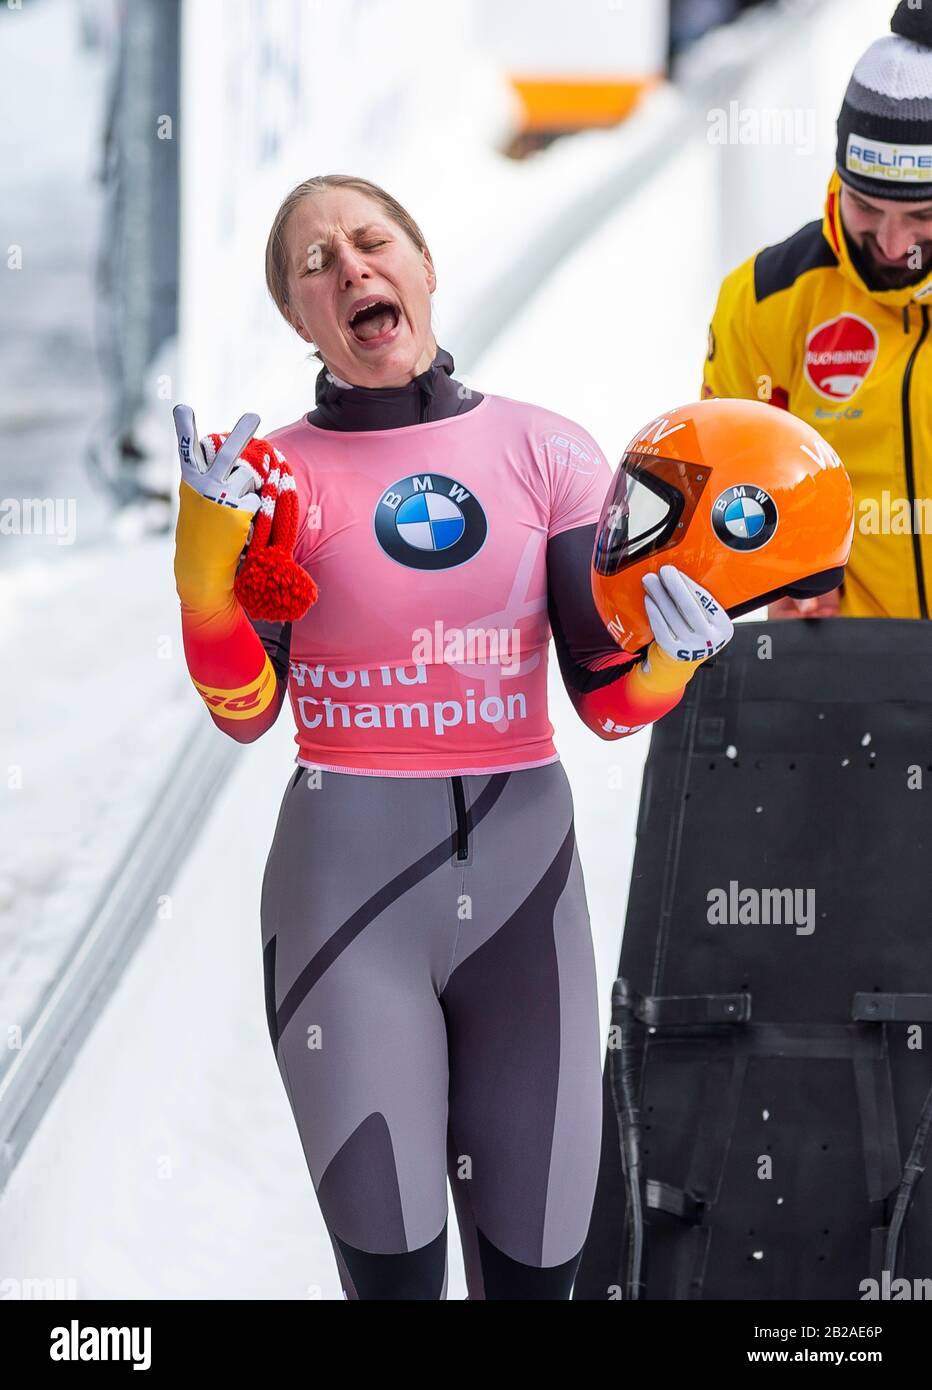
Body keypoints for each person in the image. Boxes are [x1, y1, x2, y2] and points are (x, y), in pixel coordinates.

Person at [172, 173, 733, 1300]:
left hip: (526, 910)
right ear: (297, 320)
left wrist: (668, 659)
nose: (349, 269)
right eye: (314, 264)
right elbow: (243, 714)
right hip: (347, 916)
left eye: (371, 242)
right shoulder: (271, 478)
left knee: (536, 1279)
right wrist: (202, 570)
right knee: (395, 1282)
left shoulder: (549, 454)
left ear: (424, 269)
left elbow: (605, 702)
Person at [702, 0, 932, 620]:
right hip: (845, 681)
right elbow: (729, 488)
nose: (891, 245)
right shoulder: (767, 295)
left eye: (923, 217)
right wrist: (779, 568)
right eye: (866, 207)